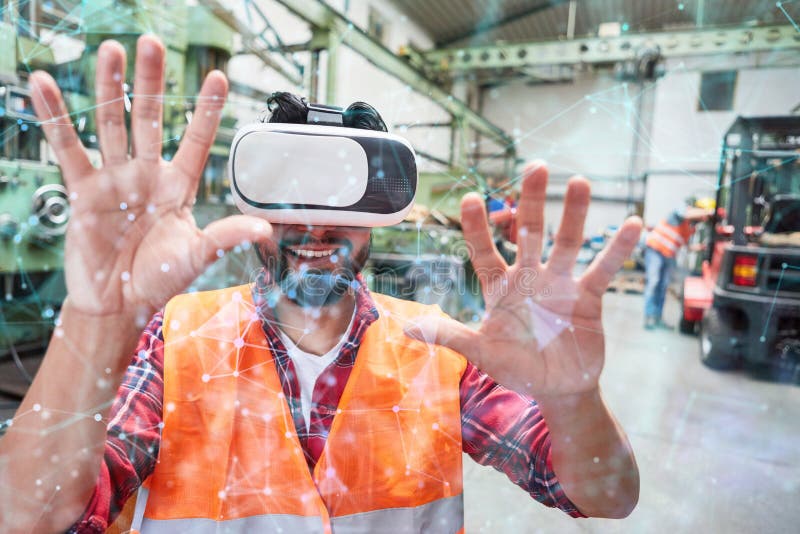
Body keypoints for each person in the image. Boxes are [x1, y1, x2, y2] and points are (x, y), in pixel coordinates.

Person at [0, 35, 642, 533]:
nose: (319, 226)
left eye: (348, 199)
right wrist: (97, 325)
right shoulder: (179, 339)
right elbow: (28, 519)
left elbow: (607, 497)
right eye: (294, 191)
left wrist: (572, 399)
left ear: (381, 213)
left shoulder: (439, 349)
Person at [643, 203, 713, 329]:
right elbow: (686, 213)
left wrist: (701, 247)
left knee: (663, 287)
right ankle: (648, 318)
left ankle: (657, 319)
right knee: (654, 282)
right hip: (655, 250)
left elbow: (685, 247)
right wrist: (709, 212)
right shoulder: (677, 215)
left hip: (668, 257)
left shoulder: (689, 228)